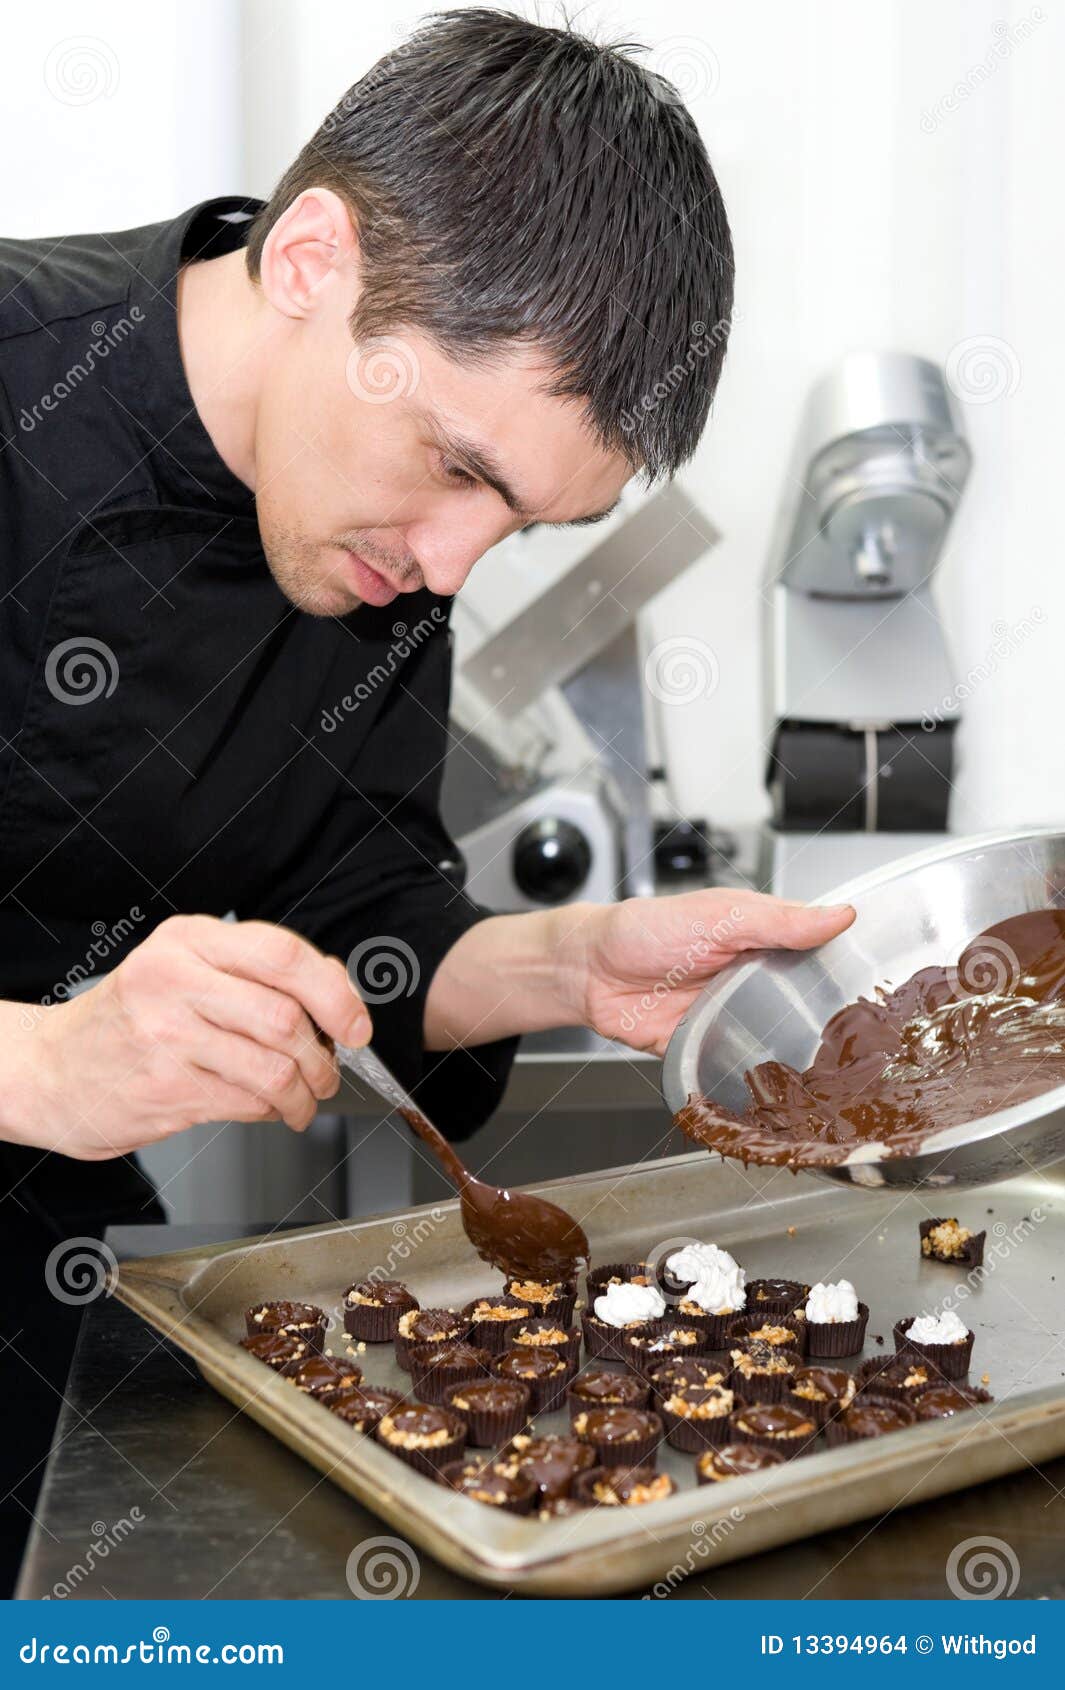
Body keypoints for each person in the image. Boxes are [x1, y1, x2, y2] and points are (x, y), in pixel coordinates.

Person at [0, 10, 853, 1585]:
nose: (453, 567)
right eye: (459, 469)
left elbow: (353, 906)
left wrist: (563, 965)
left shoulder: (377, 544)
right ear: (313, 261)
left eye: (517, 526)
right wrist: (39, 1060)